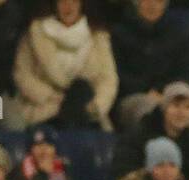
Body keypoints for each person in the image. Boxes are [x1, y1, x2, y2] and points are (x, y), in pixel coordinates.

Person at [12, 0, 119, 131]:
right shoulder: (36, 32)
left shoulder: (98, 36)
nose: (68, 7)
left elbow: (108, 79)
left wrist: (95, 106)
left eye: (74, 1)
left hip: (86, 111)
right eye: (63, 1)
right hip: (45, 110)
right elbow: (22, 74)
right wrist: (52, 97)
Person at [111, 0, 189, 130]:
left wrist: (165, 93)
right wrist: (146, 91)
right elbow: (117, 73)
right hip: (131, 96)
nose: (152, 5)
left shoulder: (177, 33)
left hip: (169, 94)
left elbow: (184, 70)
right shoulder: (120, 32)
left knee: (187, 107)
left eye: (158, 1)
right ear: (138, 3)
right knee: (149, 108)